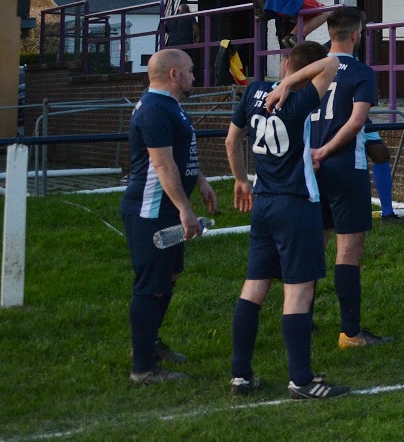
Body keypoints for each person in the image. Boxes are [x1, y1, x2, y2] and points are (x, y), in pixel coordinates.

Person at [227, 42, 349, 399]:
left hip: (263, 202)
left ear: (284, 65)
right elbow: (333, 62)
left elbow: (231, 139)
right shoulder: (296, 100)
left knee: (254, 287)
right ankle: (301, 379)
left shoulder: (252, 92)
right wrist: (290, 83)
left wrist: (240, 179)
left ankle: (241, 375)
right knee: (299, 290)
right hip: (296, 204)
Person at [122, 49, 217, 384]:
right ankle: (143, 369)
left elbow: (179, 153)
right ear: (174, 74)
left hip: (167, 207)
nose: (195, 76)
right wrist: (185, 209)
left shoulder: (170, 105)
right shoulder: (153, 109)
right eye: (190, 71)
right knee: (151, 285)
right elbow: (162, 164)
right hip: (151, 210)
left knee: (171, 275)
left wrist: (201, 180)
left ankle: (149, 342)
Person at [311, 6, 390, 348]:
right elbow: (357, 122)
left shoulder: (311, 69)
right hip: (345, 167)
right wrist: (327, 150)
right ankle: (350, 332)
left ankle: (301, 318)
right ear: (357, 35)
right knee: (348, 248)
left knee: (314, 245)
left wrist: (310, 154)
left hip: (309, 168)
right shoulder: (361, 71)